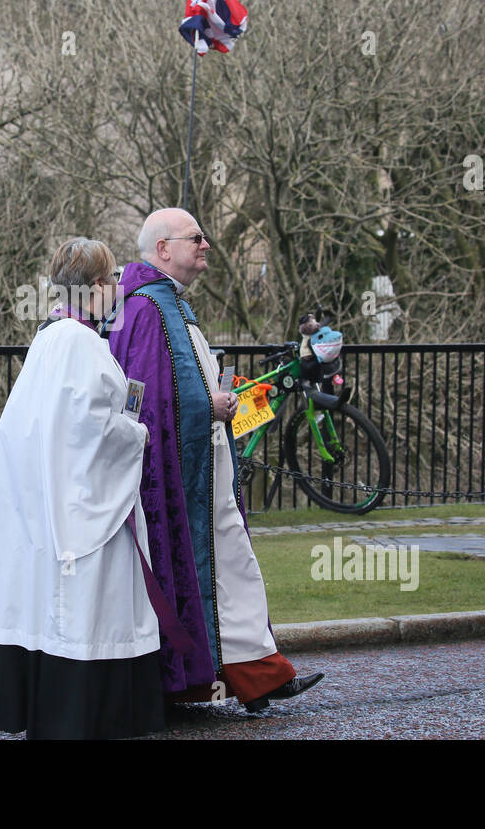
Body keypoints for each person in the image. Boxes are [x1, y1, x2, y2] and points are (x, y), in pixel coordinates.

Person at [106, 209, 324, 713]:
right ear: (163, 248)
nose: (206, 246)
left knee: (233, 564)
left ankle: (258, 674)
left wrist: (223, 401)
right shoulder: (145, 308)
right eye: (195, 238)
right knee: (221, 564)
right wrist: (213, 405)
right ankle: (241, 678)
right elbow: (145, 400)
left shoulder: (170, 305)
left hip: (207, 464)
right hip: (179, 474)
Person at [0, 238, 165, 739]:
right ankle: (85, 716)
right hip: (81, 510)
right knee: (87, 610)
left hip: (53, 500)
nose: (118, 287)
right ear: (96, 288)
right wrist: (135, 431)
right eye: (113, 279)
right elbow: (88, 427)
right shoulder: (78, 343)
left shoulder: (53, 336)